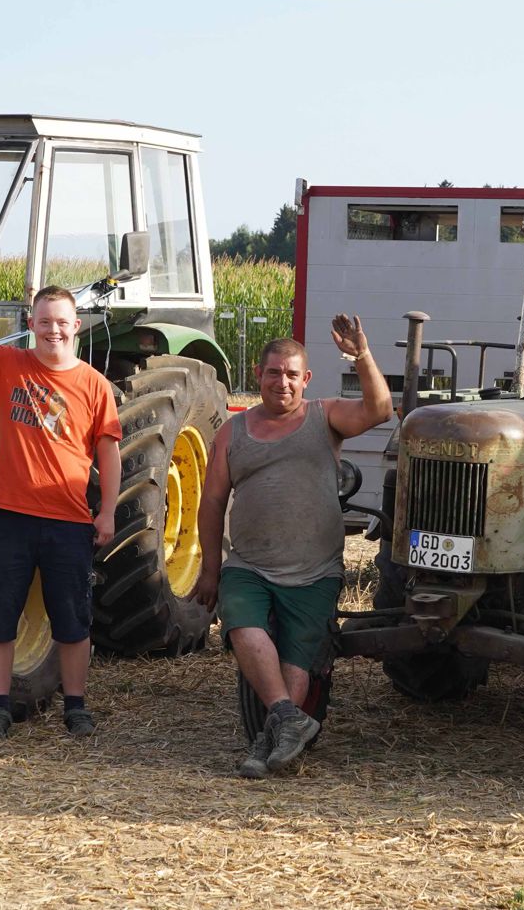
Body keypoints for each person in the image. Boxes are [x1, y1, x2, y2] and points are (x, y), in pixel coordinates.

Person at [0, 244, 120, 741]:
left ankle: (75, 705)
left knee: (72, 618)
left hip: (68, 520)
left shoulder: (94, 386)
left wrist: (106, 514)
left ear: (75, 325)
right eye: (44, 321)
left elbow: (108, 454)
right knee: (0, 614)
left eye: (61, 322)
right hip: (9, 516)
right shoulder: (6, 366)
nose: (53, 329)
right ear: (32, 323)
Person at [194, 319, 391, 779]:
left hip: (313, 569)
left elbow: (380, 410)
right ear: (258, 375)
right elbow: (212, 501)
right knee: (241, 624)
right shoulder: (233, 432)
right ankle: (287, 718)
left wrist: (361, 354)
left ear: (305, 380)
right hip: (250, 564)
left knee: (297, 657)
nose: (281, 381)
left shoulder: (326, 417)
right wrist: (209, 569)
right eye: (272, 372)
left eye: (290, 374)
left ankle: (271, 736)